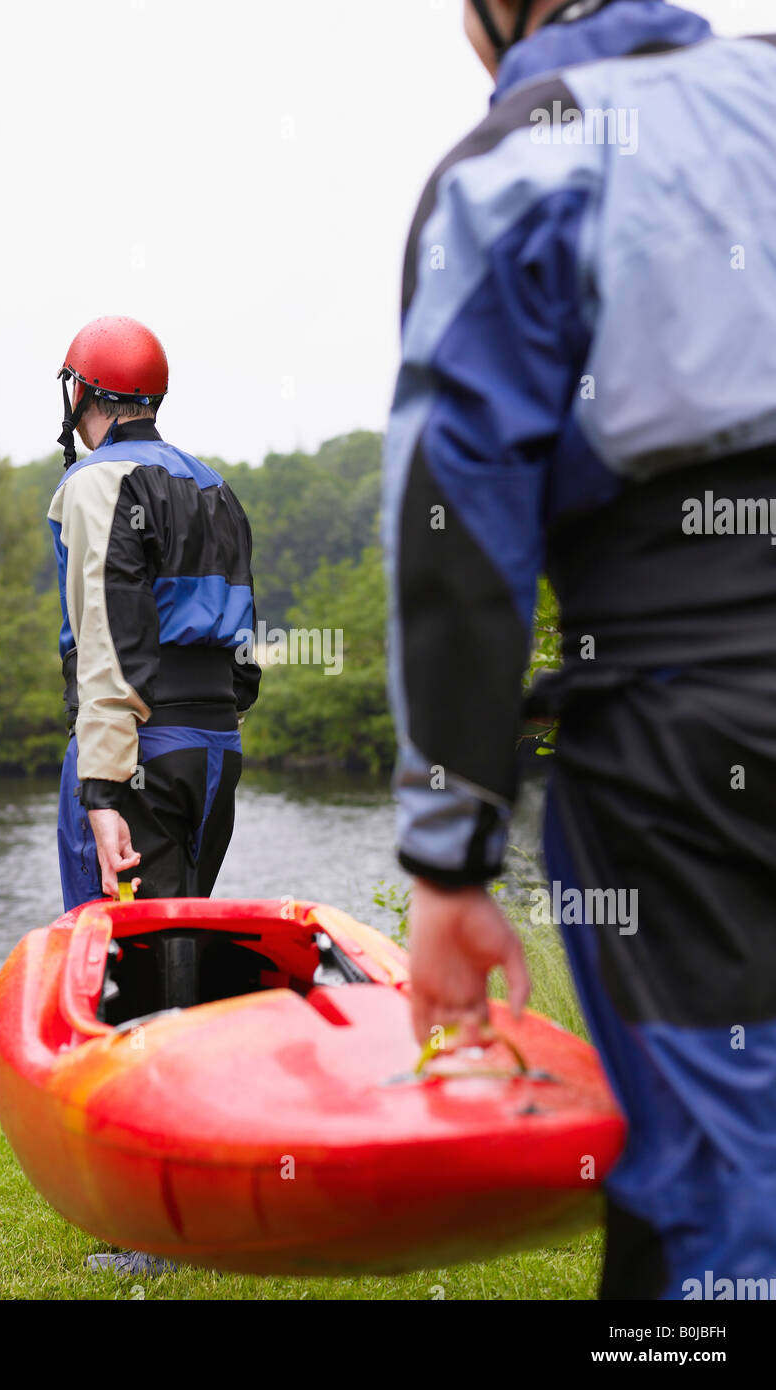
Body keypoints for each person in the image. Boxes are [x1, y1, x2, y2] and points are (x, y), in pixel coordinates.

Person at [384, 0, 776, 1299]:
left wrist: (447, 856)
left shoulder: (516, 156)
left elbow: (455, 504)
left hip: (688, 718)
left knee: (722, 1173)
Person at [49, 316, 261, 913]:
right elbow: (243, 649)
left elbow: (109, 637)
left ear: (84, 391)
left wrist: (103, 790)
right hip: (215, 748)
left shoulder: (96, 481)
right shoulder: (213, 483)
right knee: (182, 940)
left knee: (119, 953)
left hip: (141, 749)